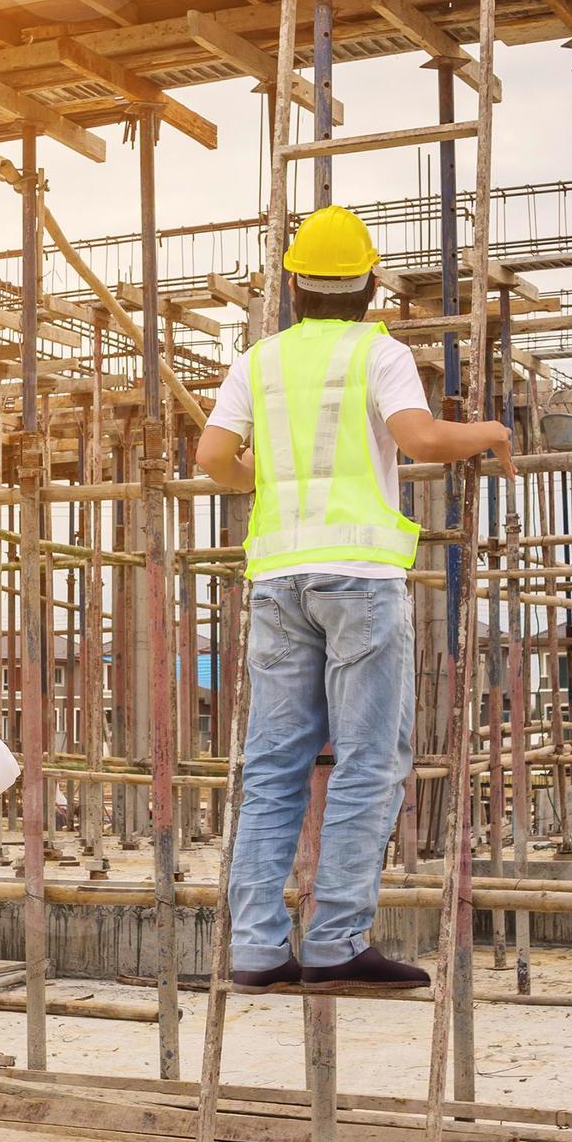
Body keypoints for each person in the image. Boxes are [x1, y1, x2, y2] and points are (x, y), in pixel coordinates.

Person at [192, 205, 514, 994]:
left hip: (275, 578)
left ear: (293, 285)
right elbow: (423, 440)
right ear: (370, 285)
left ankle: (260, 952)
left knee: (273, 767)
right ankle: (337, 941)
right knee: (371, 759)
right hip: (361, 577)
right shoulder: (380, 351)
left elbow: (211, 458)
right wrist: (493, 433)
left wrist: (268, 480)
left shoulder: (257, 361)